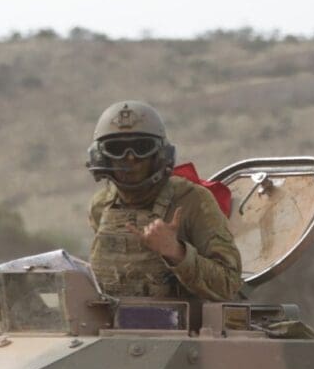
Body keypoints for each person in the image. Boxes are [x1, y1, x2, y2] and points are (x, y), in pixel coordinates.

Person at [86, 101, 245, 302]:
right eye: (117, 149)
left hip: (181, 329)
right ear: (102, 158)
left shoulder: (193, 201)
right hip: (111, 328)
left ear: (159, 154)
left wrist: (176, 252)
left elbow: (229, 284)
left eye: (141, 148)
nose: (130, 159)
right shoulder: (101, 206)